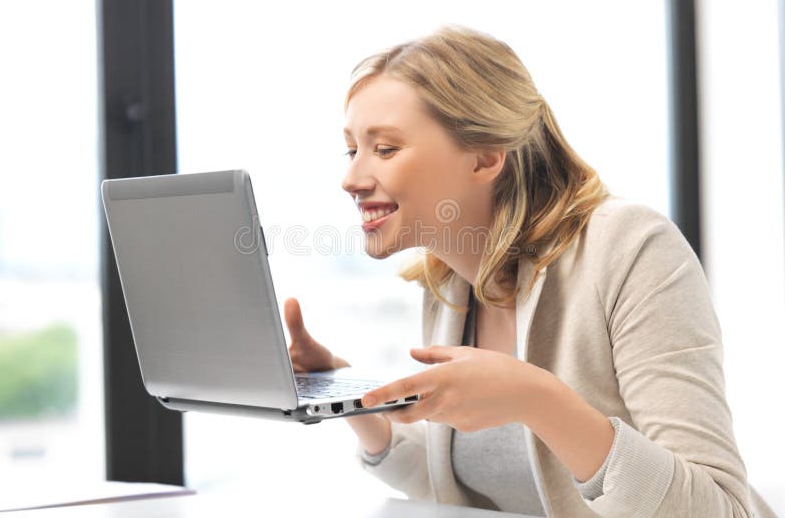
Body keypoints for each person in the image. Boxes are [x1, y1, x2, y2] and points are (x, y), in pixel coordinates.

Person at [282, 26, 774, 517]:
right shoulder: (451, 282)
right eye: (353, 151)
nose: (351, 179)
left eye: (385, 149)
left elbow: (719, 509)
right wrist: (349, 395)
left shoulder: (631, 248)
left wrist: (536, 399)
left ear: (486, 156)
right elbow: (474, 493)